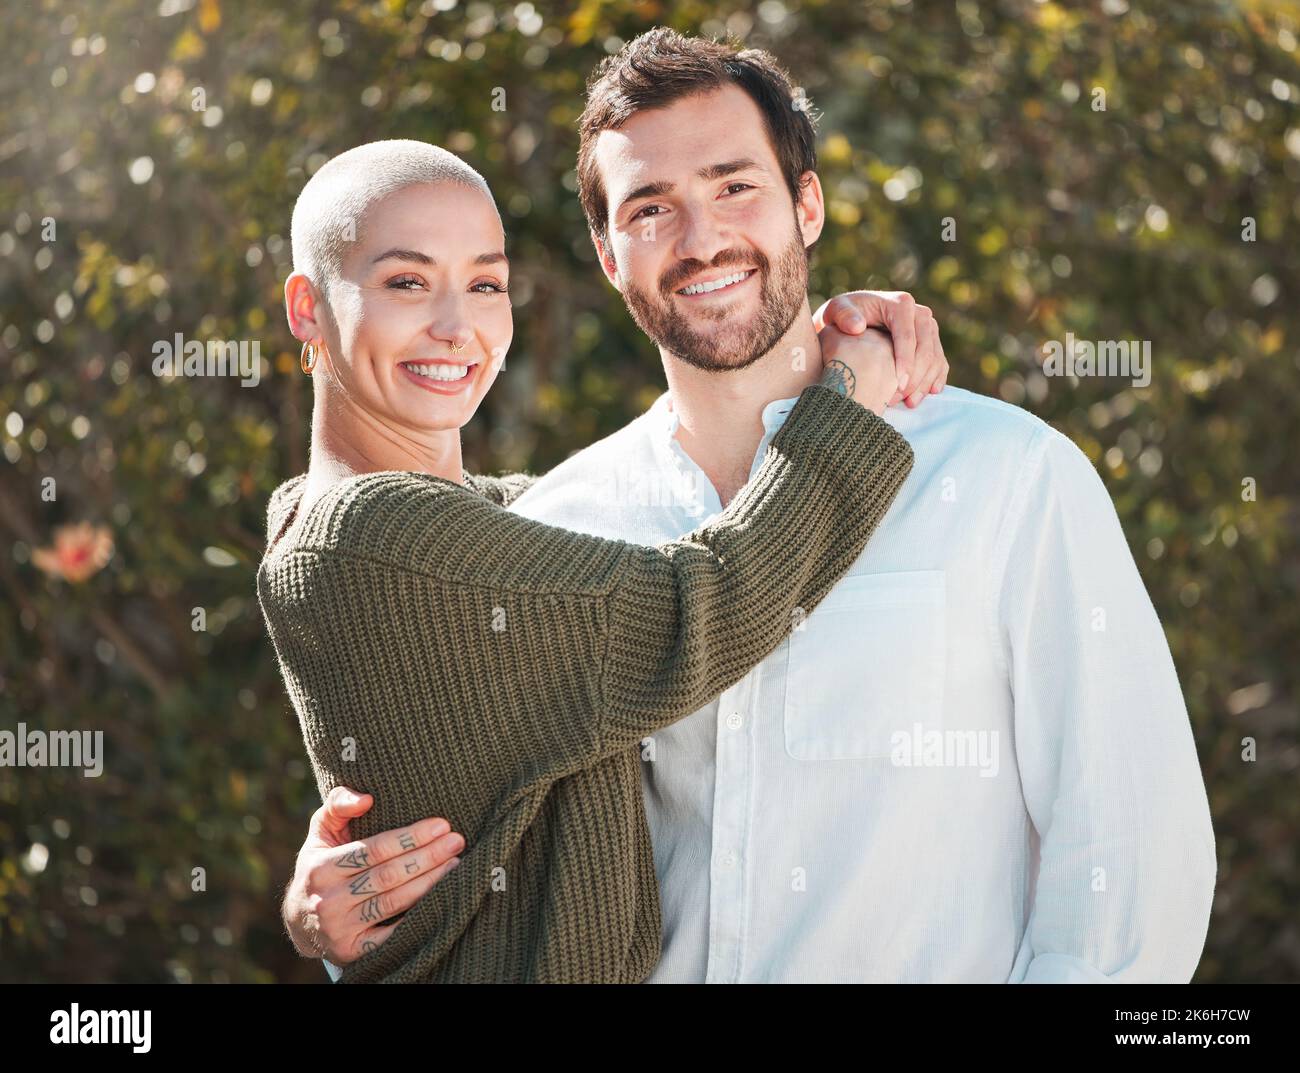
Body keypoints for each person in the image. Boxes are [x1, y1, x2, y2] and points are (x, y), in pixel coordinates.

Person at [289, 29, 1217, 984]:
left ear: (805, 205)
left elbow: (1130, 858)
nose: (702, 240)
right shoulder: (559, 521)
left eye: (735, 186)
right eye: (651, 209)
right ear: (609, 255)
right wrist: (335, 913)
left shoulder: (1009, 479)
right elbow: (481, 866)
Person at [258, 138, 924, 982]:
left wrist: (795, 329)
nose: (458, 327)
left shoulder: (342, 519)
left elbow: (586, 519)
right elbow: (701, 601)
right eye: (407, 282)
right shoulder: (377, 532)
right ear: (308, 308)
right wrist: (848, 397)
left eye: (487, 282)